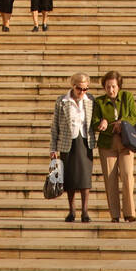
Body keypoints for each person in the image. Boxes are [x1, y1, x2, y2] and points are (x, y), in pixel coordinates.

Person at [92, 70, 136, 222]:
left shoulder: (127, 97)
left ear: (119, 86)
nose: (111, 90)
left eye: (113, 86)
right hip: (107, 143)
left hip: (125, 142)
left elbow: (134, 117)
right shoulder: (99, 102)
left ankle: (129, 212)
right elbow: (93, 123)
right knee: (110, 179)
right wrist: (102, 123)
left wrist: (122, 122)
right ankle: (114, 214)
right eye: (107, 87)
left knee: (127, 175)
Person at [50, 72, 95, 222]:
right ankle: (72, 211)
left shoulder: (90, 100)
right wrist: (53, 148)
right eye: (79, 89)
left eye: (85, 89)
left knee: (85, 178)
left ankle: (85, 211)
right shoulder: (62, 101)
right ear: (73, 86)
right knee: (69, 179)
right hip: (67, 143)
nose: (82, 92)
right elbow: (55, 126)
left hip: (85, 141)